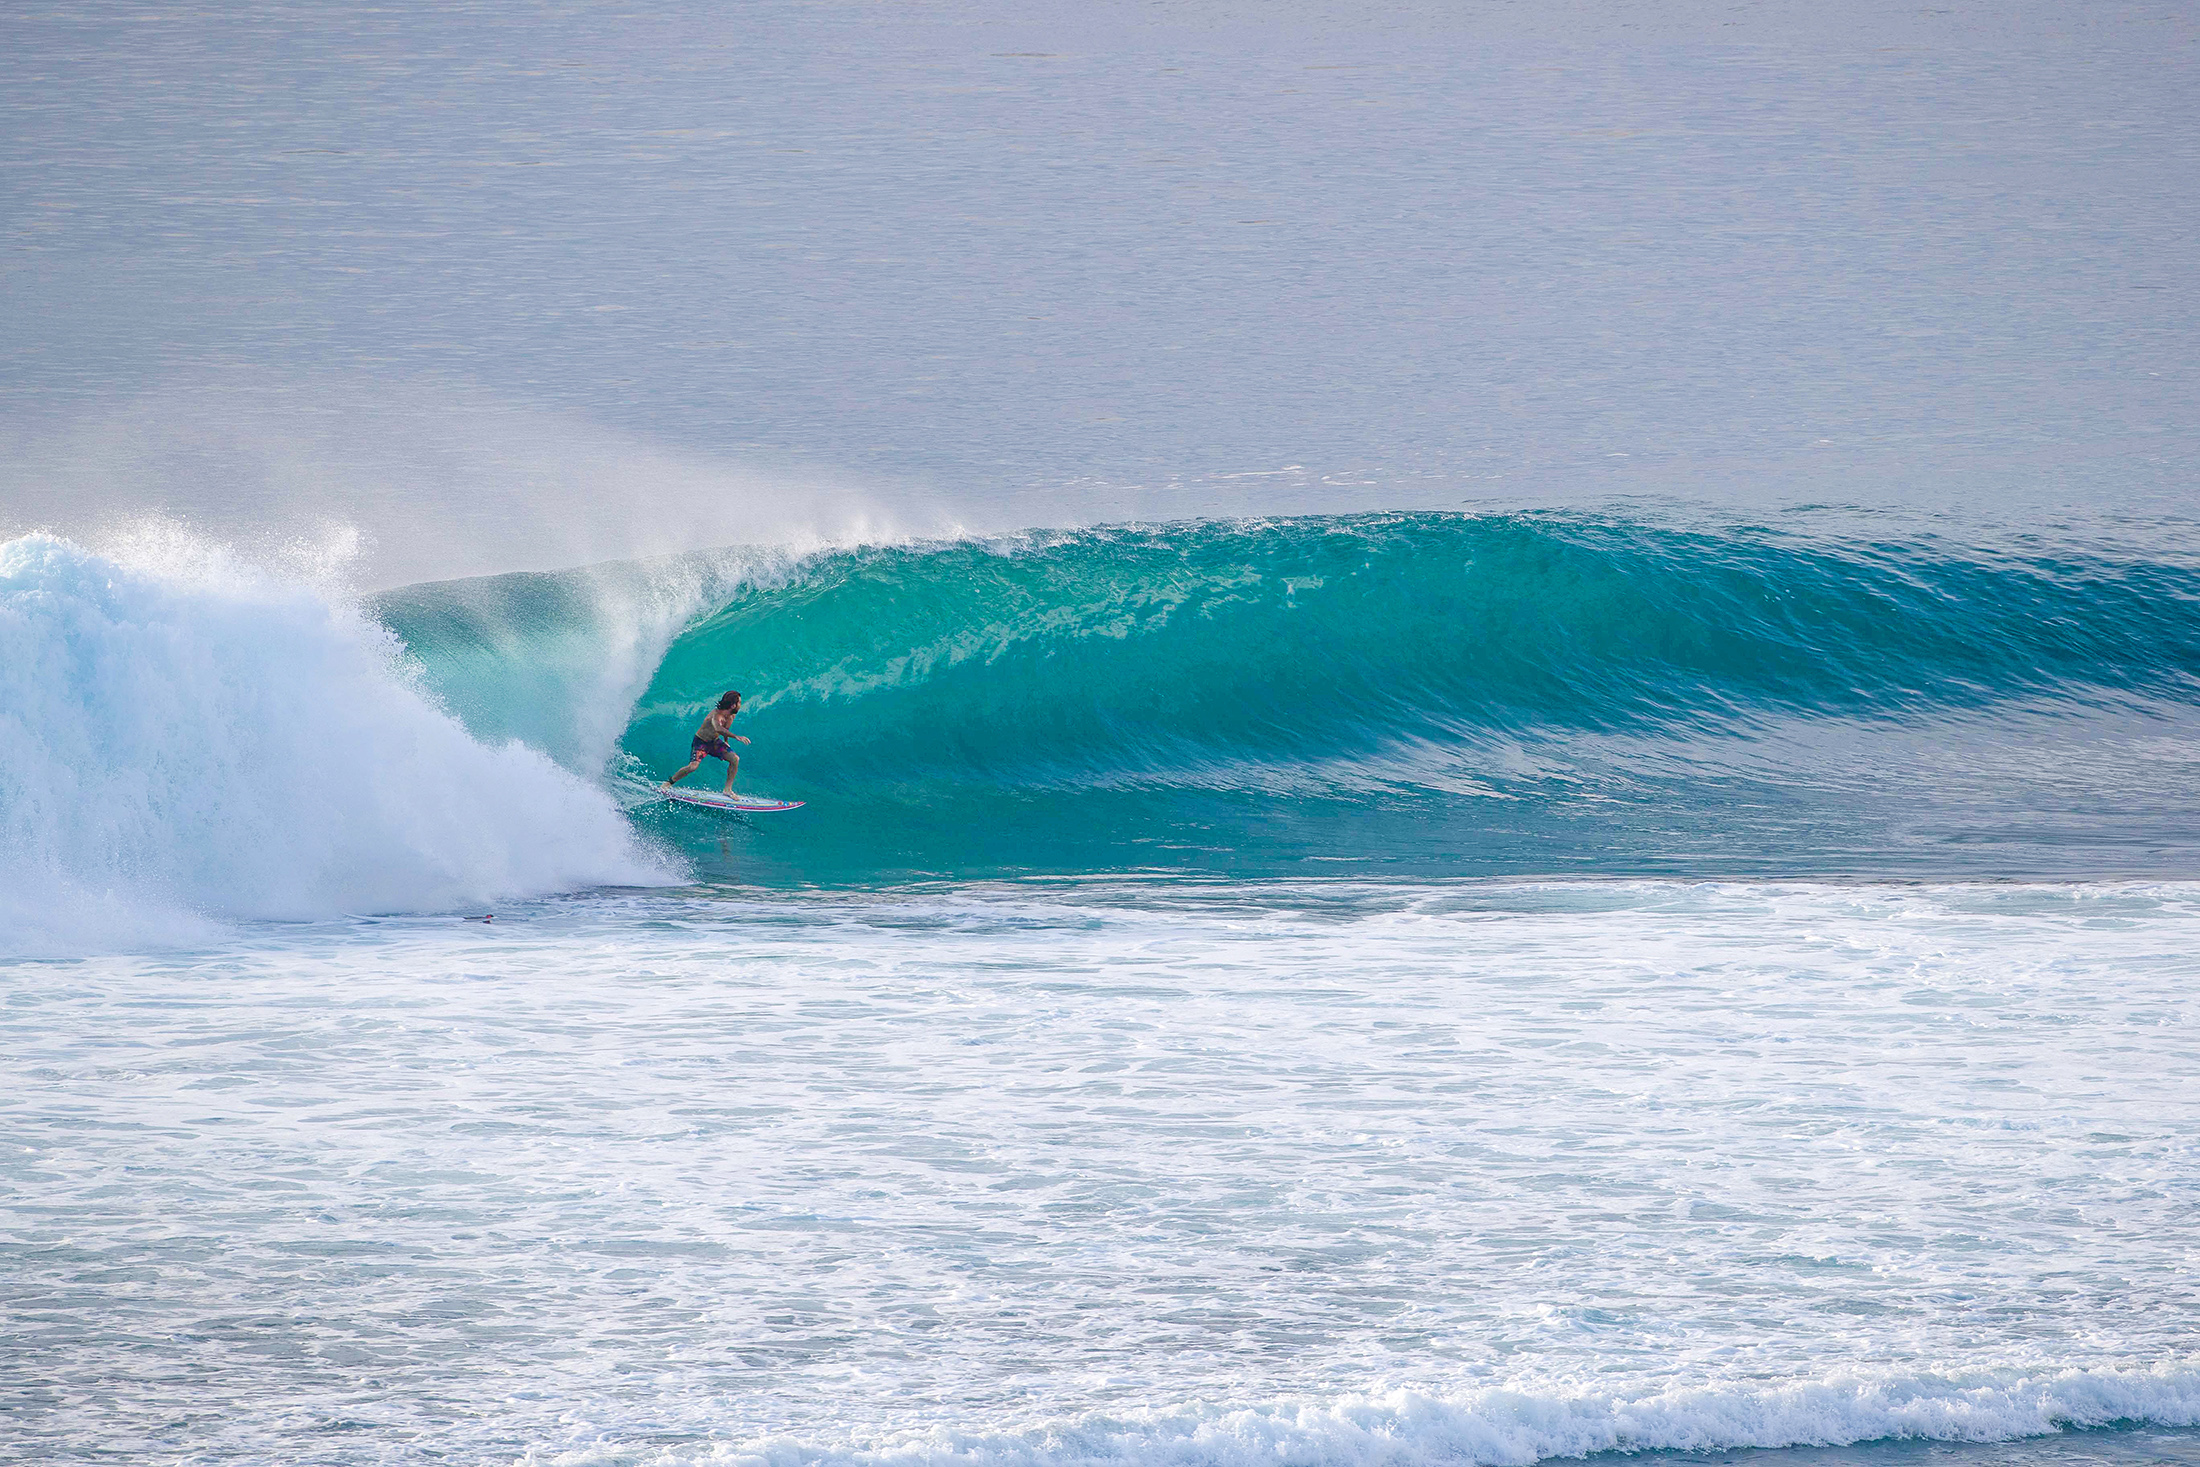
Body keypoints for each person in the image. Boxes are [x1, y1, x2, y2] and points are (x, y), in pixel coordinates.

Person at [664, 690, 751, 793]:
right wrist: (736, 737)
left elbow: (725, 729)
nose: (740, 705)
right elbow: (718, 728)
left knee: (735, 759)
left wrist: (726, 741)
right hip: (701, 742)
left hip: (715, 742)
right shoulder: (716, 715)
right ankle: (669, 783)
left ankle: (727, 789)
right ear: (732, 705)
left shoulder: (732, 715)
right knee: (693, 767)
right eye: (739, 703)